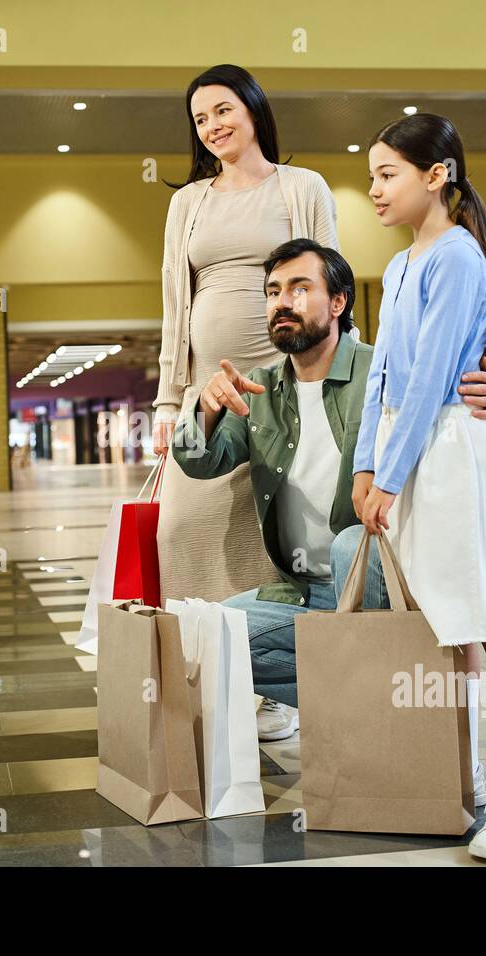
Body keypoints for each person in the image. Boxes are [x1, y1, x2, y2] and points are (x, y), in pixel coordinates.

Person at [172, 237, 486, 810]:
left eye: (300, 288)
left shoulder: (385, 370)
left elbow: (469, 438)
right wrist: (204, 408)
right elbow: (199, 459)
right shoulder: (261, 390)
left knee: (351, 541)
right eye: (273, 291)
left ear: (337, 302)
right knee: (218, 638)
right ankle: (374, 709)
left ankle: (445, 749)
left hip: (382, 578)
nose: (283, 302)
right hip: (305, 594)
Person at [352, 112, 486, 862]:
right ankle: (462, 779)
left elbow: (432, 377)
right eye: (371, 175)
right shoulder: (400, 267)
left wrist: (390, 475)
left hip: (454, 449)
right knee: (451, 625)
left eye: (386, 173)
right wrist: (366, 470)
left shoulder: (458, 258)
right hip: (413, 453)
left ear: (437, 176)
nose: (373, 188)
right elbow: (383, 379)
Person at [152, 64, 351, 605]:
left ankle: (268, 672)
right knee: (179, 535)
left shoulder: (302, 188)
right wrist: (169, 401)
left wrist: (338, 384)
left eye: (223, 110)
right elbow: (176, 301)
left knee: (278, 542)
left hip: (281, 399)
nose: (212, 126)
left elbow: (330, 284)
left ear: (254, 110)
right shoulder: (187, 203)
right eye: (199, 119)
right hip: (206, 397)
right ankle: (201, 669)